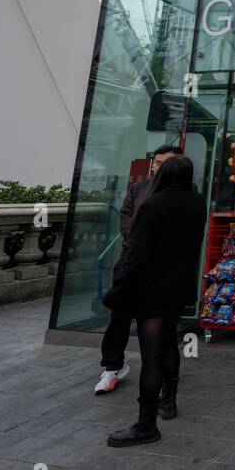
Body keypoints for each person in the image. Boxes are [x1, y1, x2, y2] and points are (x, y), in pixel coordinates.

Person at [103, 155, 207, 447]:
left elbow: (138, 255)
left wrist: (119, 288)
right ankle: (169, 400)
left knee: (151, 356)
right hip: (179, 286)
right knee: (169, 344)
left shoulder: (154, 205)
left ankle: (146, 423)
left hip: (152, 287)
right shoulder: (197, 203)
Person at [96, 143, 180, 395]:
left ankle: (164, 377)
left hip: (162, 270)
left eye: (165, 163)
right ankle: (113, 366)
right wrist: (137, 247)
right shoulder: (140, 188)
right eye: (156, 162)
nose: (159, 167)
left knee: (161, 326)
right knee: (118, 317)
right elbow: (125, 218)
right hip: (131, 264)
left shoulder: (184, 193)